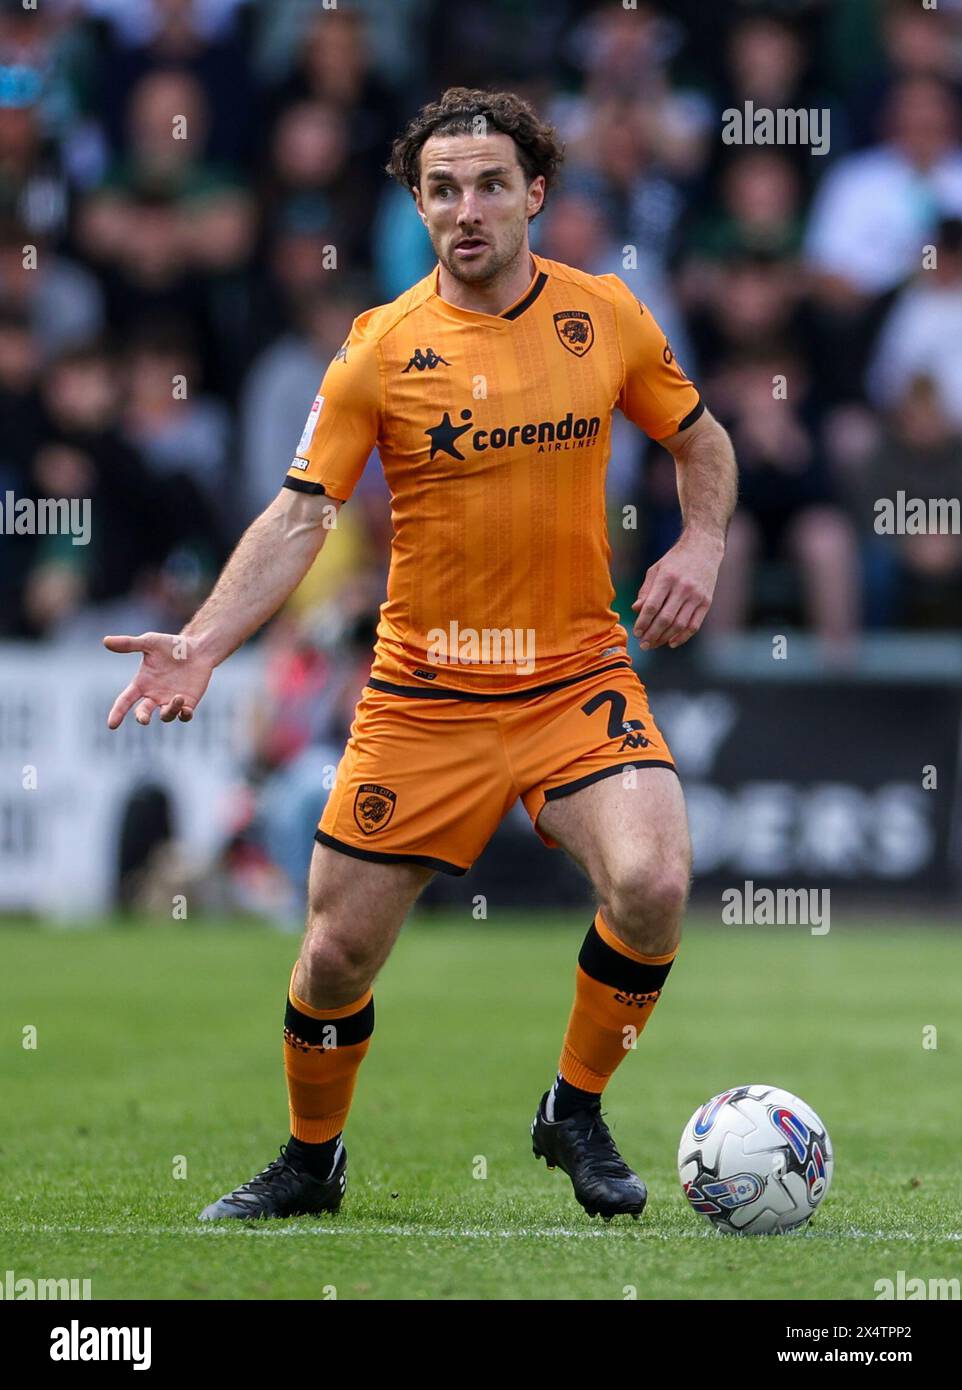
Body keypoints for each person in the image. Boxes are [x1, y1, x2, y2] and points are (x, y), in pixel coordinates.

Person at [103, 88, 737, 1223]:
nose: (467, 208)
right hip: (422, 692)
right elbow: (300, 514)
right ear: (417, 205)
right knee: (334, 956)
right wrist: (200, 643)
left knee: (651, 883)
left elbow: (701, 440)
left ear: (535, 193)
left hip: (573, 675)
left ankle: (574, 1108)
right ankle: (310, 1159)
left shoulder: (607, 317)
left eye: (490, 184)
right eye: (441, 189)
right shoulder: (379, 348)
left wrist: (700, 538)